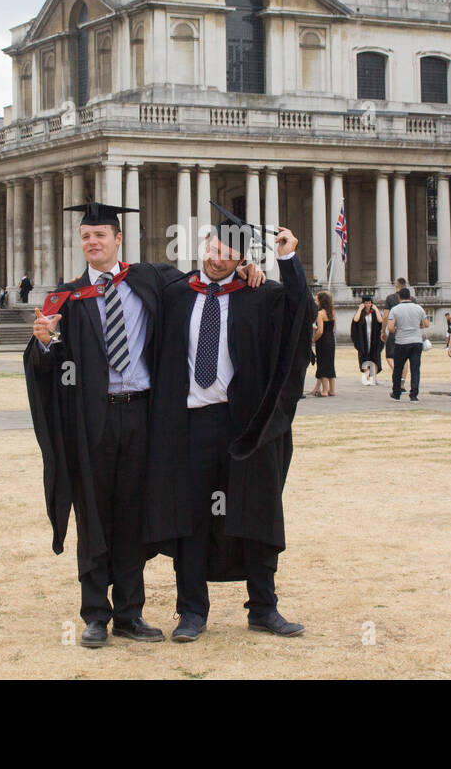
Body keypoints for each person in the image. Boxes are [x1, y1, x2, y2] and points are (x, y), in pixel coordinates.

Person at [25, 202, 264, 650]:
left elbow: (210, 278)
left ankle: (130, 613)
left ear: (118, 240)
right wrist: (43, 344)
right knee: (94, 515)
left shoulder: (151, 280)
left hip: (144, 416)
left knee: (134, 515)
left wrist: (247, 266)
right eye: (85, 237)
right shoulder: (66, 298)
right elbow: (50, 365)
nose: (92, 243)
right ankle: (96, 614)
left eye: (100, 236)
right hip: (92, 419)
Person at [145, 224, 311, 643]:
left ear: (242, 261)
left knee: (255, 511)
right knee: (192, 518)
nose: (216, 260)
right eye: (212, 249)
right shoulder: (175, 295)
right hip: (189, 425)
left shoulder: (258, 294)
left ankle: (263, 608)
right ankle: (191, 613)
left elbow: (299, 311)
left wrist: (288, 260)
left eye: (227, 255)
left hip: (244, 425)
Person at [387, 287, 429, 402]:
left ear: (399, 297)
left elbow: (390, 328)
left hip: (402, 341)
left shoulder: (395, 309)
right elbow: (426, 324)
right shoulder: (418, 308)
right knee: (415, 368)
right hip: (416, 341)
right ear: (410, 297)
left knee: (398, 368)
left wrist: (397, 328)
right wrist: (416, 326)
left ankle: (396, 392)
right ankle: (414, 394)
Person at [350, 294, 384, 386]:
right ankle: (367, 377)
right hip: (363, 338)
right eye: (365, 303)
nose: (367, 305)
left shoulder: (374, 313)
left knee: (375, 356)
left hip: (374, 338)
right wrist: (360, 309)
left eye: (369, 303)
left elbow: (381, 321)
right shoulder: (360, 313)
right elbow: (355, 320)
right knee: (364, 355)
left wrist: (376, 309)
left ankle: (374, 378)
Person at [379, 277, 407, 388]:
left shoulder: (391, 298)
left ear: (397, 285)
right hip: (407, 332)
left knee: (389, 356)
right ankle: (403, 385)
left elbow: (385, 316)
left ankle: (397, 372)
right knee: (405, 359)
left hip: (394, 331)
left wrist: (383, 330)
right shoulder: (413, 299)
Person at [310, 291, 336, 397]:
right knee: (330, 364)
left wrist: (313, 339)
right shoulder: (332, 312)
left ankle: (324, 390)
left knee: (322, 364)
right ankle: (332, 390)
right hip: (331, 340)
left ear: (321, 301)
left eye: (316, 300)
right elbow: (332, 328)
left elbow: (320, 331)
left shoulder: (320, 314)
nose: (315, 302)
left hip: (323, 341)